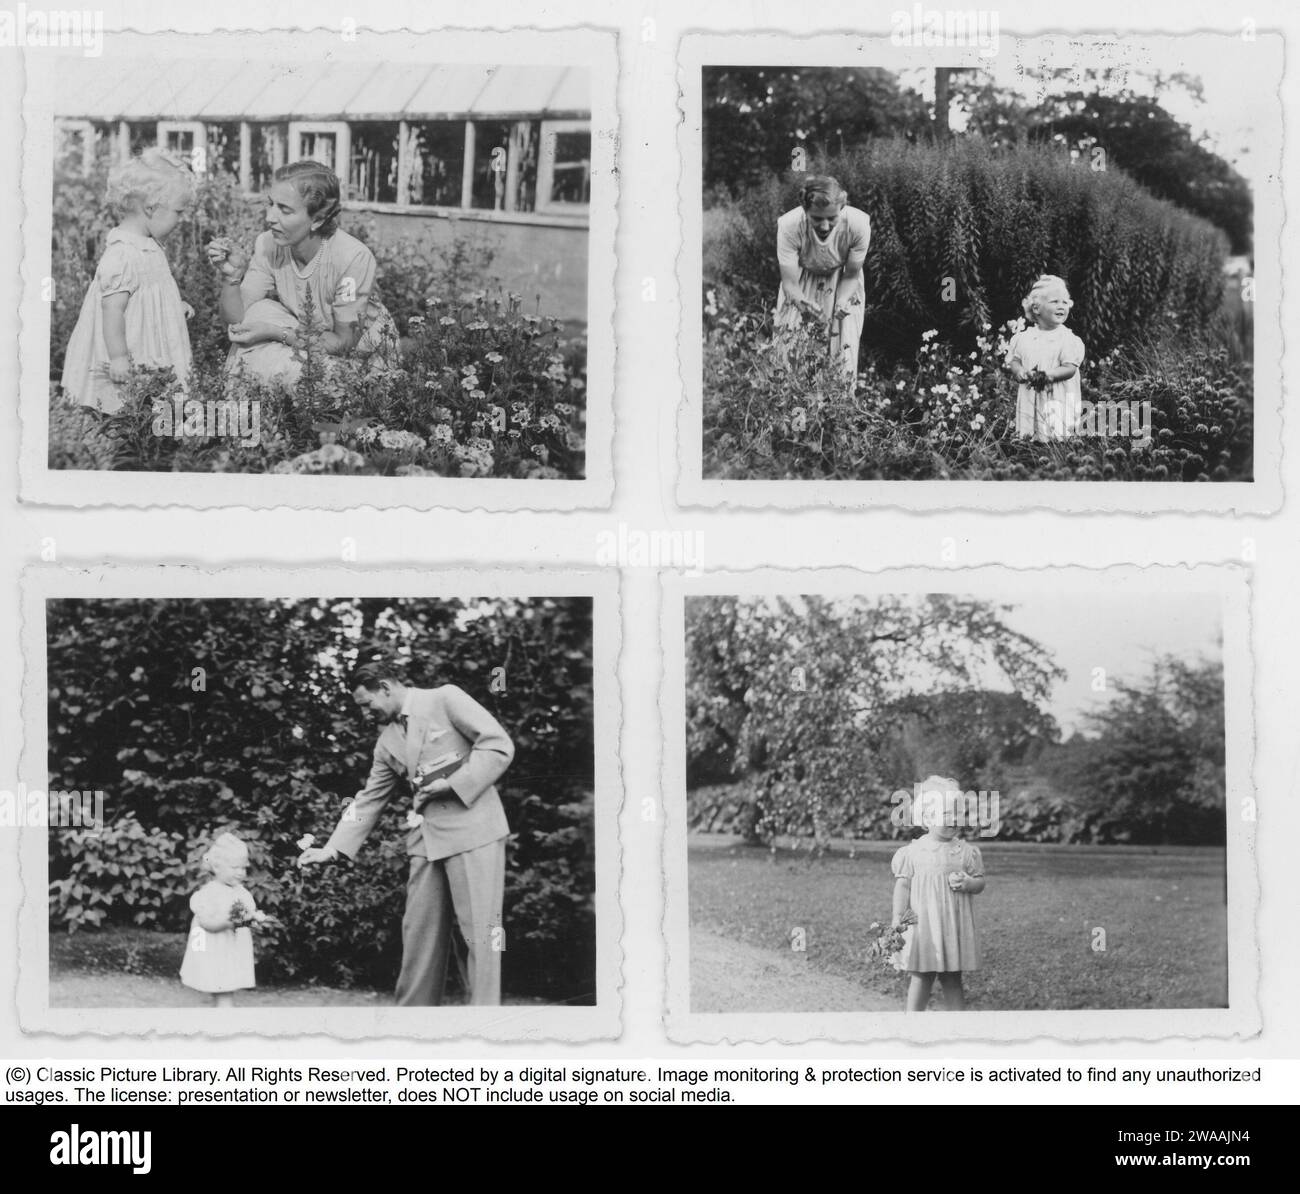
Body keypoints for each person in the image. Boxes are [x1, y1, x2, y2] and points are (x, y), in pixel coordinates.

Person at [297, 659, 514, 1006]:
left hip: (475, 833)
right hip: (426, 843)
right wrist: (332, 848)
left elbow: (498, 745)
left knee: (481, 936)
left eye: (367, 704)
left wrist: (452, 784)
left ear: (385, 687)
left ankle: (485, 1023)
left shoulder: (445, 698)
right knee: (419, 937)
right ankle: (412, 1024)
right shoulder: (385, 743)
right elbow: (369, 800)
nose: (365, 713)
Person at [206, 159, 399, 388]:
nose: (269, 218)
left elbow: (343, 343)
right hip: (309, 338)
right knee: (259, 311)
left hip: (362, 357)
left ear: (317, 219)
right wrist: (232, 277)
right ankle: (252, 405)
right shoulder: (268, 245)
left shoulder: (352, 257)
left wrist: (275, 332)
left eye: (284, 210)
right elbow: (236, 320)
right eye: (270, 204)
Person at [60, 148, 196, 413]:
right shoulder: (122, 254)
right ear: (151, 208)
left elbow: (149, 291)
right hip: (125, 343)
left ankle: (151, 431)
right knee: (122, 402)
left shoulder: (148, 244)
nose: (181, 220)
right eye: (178, 212)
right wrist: (119, 357)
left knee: (151, 398)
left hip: (146, 337)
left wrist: (171, 305)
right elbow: (113, 310)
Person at [890, 775, 986, 1011]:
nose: (954, 819)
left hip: (952, 927)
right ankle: (913, 1024)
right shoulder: (912, 853)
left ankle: (958, 1028)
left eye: (959, 813)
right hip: (924, 927)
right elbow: (902, 886)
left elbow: (980, 882)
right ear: (927, 816)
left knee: (953, 978)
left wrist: (969, 884)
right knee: (921, 976)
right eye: (947, 814)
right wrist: (897, 917)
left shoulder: (966, 852)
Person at [774, 174, 870, 380]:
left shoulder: (858, 224)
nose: (825, 226)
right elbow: (789, 283)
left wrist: (842, 301)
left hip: (841, 281)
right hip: (801, 281)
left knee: (842, 350)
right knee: (790, 346)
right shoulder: (790, 226)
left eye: (832, 218)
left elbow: (852, 275)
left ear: (841, 208)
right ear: (805, 210)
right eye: (817, 218)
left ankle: (837, 406)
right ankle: (791, 404)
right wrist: (802, 304)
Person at [180, 832, 264, 1007]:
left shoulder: (242, 892)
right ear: (217, 867)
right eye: (235, 868)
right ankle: (224, 1014)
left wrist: (254, 920)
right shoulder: (209, 893)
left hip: (231, 948)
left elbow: (247, 914)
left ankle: (222, 1011)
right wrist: (227, 922)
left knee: (226, 986)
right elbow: (205, 923)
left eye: (244, 868)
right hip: (215, 947)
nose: (241, 873)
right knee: (222, 987)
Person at [1003, 274, 1086, 440]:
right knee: (1031, 436)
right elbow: (1015, 359)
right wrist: (1018, 370)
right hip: (1031, 398)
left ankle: (1059, 453)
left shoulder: (1067, 339)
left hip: (1058, 397)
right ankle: (1030, 448)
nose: (1061, 306)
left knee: (1058, 434)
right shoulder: (1024, 338)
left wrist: (1047, 376)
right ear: (1036, 309)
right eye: (1054, 302)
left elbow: (1069, 368)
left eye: (1065, 302)